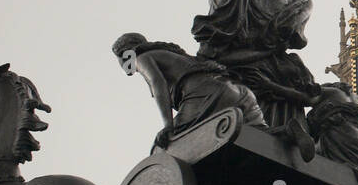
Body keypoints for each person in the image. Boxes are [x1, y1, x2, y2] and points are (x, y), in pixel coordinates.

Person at [128, 0, 318, 157]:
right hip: (272, 67)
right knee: (261, 134)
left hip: (226, 61)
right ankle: (285, 138)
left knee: (182, 142)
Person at [111, 33, 264, 150]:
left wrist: (168, 126)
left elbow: (158, 84)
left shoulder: (142, 58)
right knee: (265, 141)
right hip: (240, 93)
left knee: (164, 147)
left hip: (205, 96)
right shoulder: (173, 55)